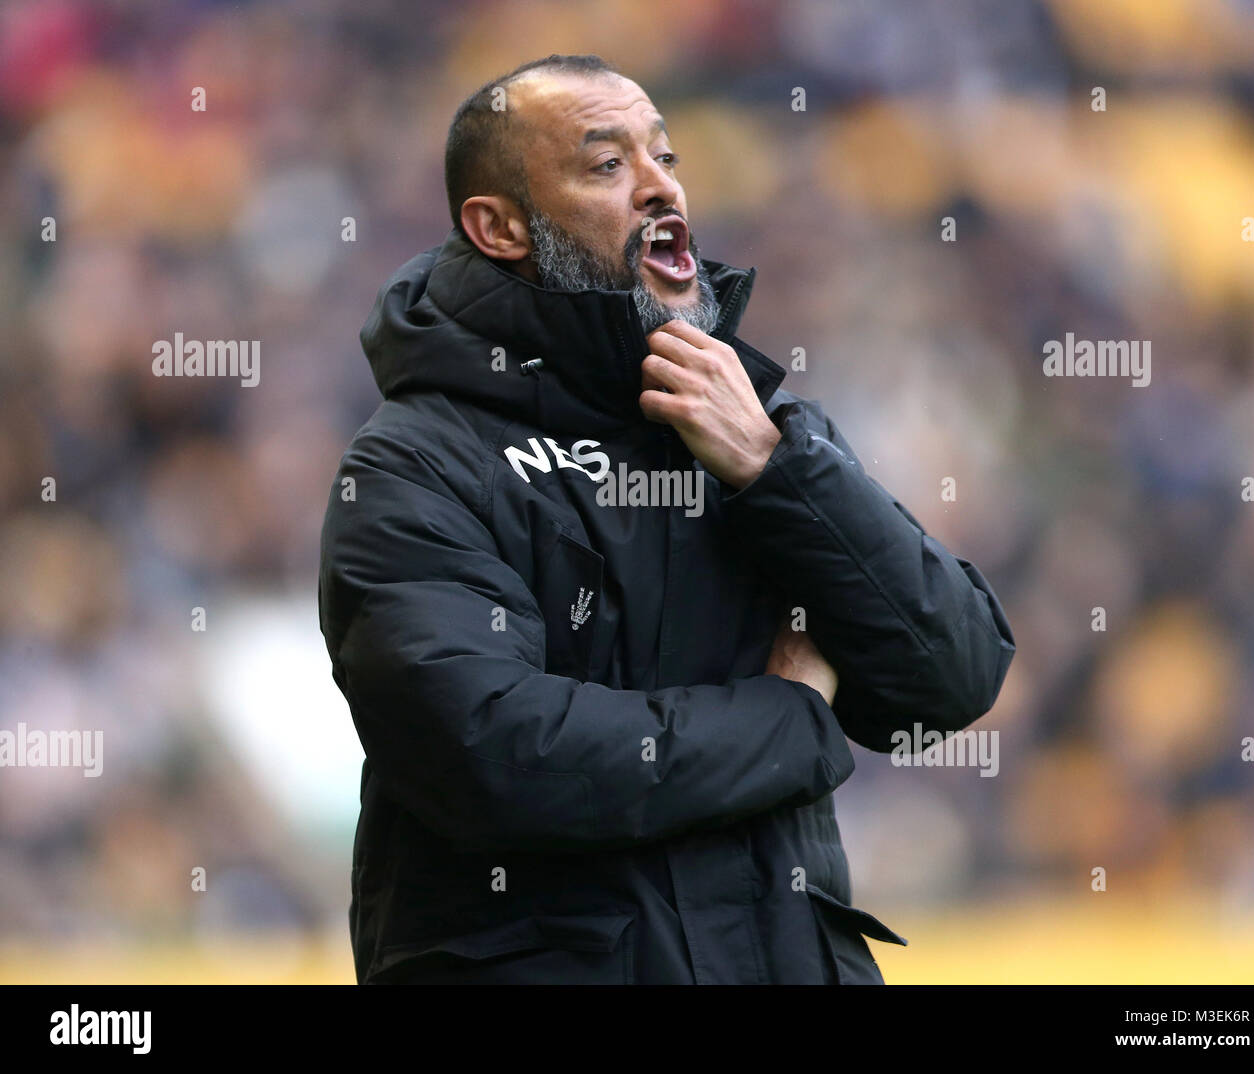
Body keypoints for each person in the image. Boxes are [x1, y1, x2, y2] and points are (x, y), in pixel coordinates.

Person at [318, 54, 1015, 985]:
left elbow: (952, 677)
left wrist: (776, 471)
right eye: (607, 167)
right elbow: (493, 752)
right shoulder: (416, 463)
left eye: (666, 156)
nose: (659, 187)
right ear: (498, 227)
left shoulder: (756, 432)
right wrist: (789, 719)